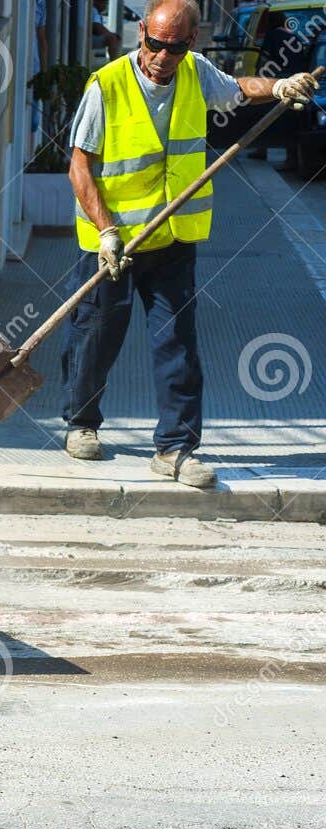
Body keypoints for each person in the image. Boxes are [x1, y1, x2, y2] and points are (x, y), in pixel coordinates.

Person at [60, 0, 319, 488]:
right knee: (95, 334)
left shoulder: (196, 72)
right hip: (113, 243)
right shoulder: (107, 86)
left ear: (190, 43)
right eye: (155, 44)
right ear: (142, 32)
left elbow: (239, 90)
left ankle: (175, 448)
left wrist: (279, 86)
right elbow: (80, 166)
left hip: (172, 240)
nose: (163, 56)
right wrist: (108, 232)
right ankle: (81, 422)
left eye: (175, 48)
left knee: (177, 342)